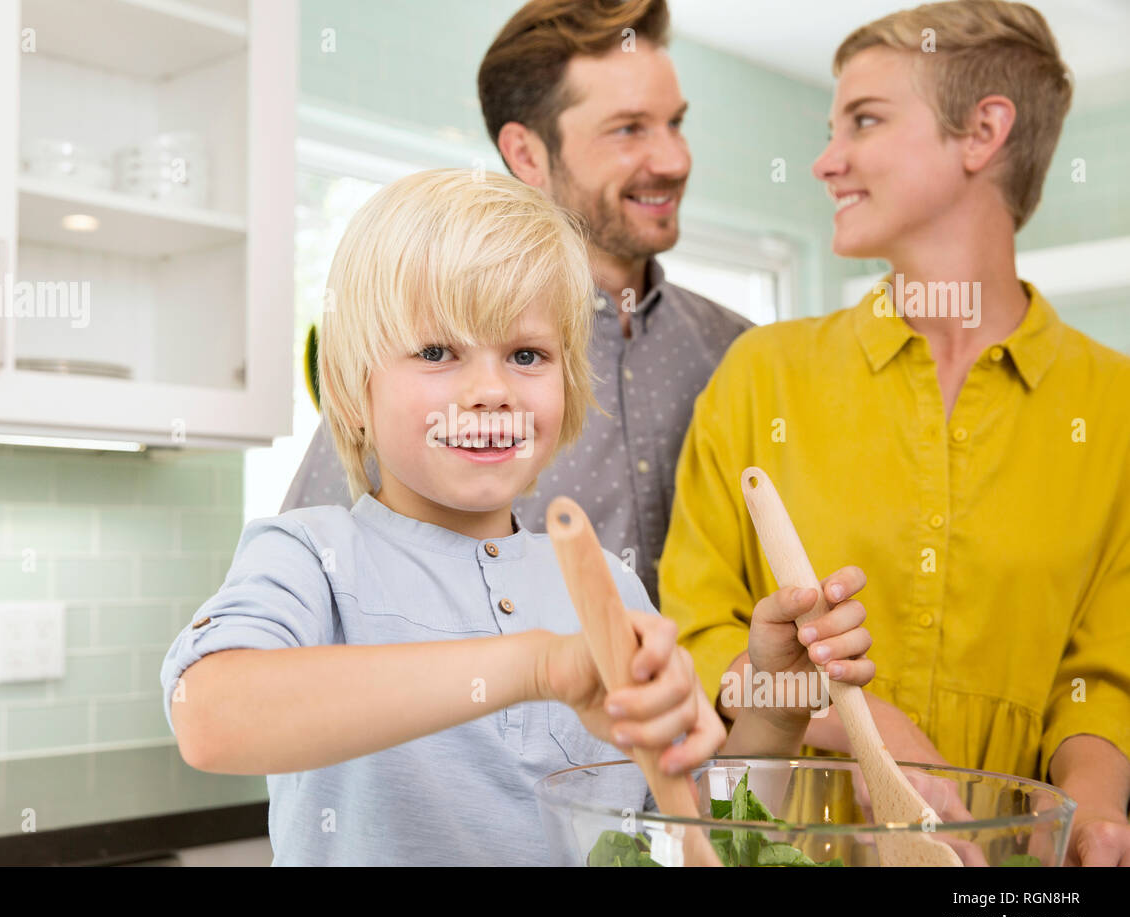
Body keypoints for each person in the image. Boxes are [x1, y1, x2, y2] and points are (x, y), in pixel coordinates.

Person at [160, 169, 875, 866]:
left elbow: (696, 846)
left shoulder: (611, 590)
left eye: (526, 354)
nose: (490, 390)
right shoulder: (309, 556)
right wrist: (537, 665)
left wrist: (776, 706)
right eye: (437, 351)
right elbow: (209, 716)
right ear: (351, 394)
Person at [659, 0, 1130, 865]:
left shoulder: (1115, 407)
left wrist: (1090, 818)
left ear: (983, 132)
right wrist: (879, 733)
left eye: (864, 121)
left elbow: (1101, 681)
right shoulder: (763, 375)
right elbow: (700, 642)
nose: (826, 161)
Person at [281, 0, 751, 607]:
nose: (674, 161)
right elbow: (307, 605)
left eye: (676, 124)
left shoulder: (734, 348)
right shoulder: (420, 366)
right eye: (629, 129)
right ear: (527, 154)